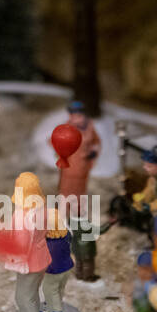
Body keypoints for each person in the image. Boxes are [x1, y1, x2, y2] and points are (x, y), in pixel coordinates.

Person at [2, 172, 51, 312]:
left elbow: (20, 245)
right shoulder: (42, 208)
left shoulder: (22, 216)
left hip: (28, 262)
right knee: (32, 294)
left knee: (23, 297)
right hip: (41, 256)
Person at [58, 100, 103, 281]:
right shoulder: (65, 129)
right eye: (73, 114)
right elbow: (54, 142)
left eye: (79, 114)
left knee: (79, 196)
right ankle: (64, 220)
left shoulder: (90, 128)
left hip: (82, 169)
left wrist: (92, 152)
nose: (76, 118)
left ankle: (77, 218)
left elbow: (97, 144)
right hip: (69, 169)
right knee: (66, 194)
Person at [40, 205, 73, 312]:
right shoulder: (66, 234)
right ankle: (57, 303)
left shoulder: (49, 243)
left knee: (49, 289)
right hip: (68, 266)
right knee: (60, 288)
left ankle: (54, 311)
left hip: (55, 271)